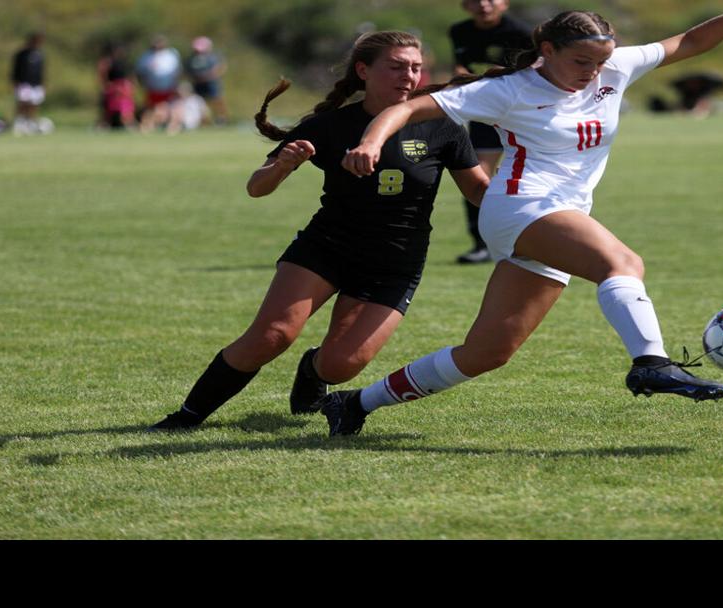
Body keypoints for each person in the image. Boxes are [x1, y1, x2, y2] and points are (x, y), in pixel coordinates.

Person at [321, 2, 723, 437]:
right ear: (548, 50)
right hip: (521, 205)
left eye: (600, 61)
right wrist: (371, 142)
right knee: (623, 264)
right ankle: (652, 365)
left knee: (487, 353)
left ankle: (354, 404)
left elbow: (690, 41)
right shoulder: (510, 89)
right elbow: (407, 108)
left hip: (560, 217)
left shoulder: (613, 66)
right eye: (581, 61)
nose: (593, 72)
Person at [149, 31, 490, 431]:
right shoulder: (330, 125)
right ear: (363, 71)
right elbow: (257, 187)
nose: (409, 76)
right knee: (271, 335)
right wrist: (282, 165)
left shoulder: (442, 127)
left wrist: (532, 203)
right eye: (396, 66)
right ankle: (187, 416)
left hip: (395, 262)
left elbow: (480, 192)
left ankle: (312, 370)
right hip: (327, 248)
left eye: (415, 68)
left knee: (341, 366)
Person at [449, 0, 534, 264]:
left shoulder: (521, 32)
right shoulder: (459, 31)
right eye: (475, 0)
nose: (483, 5)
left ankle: (532, 239)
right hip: (483, 112)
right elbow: (461, 66)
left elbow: (534, 71)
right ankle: (481, 244)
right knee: (476, 177)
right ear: (465, 5)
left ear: (505, 3)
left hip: (520, 113)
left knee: (528, 178)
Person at [136, 35, 182, 131]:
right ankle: (147, 126)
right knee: (152, 108)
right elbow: (141, 72)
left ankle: (173, 125)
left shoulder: (171, 55)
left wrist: (175, 84)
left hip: (169, 86)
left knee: (171, 107)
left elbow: (176, 71)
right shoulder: (146, 56)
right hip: (152, 87)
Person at [10, 32, 48, 135]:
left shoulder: (39, 54)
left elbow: (41, 71)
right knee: (23, 103)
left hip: (36, 83)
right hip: (24, 83)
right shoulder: (22, 54)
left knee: (34, 103)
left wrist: (43, 83)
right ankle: (20, 122)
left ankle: (30, 123)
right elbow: (15, 69)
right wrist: (15, 82)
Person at [185, 36, 229, 125]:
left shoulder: (213, 57)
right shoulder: (192, 59)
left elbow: (220, 68)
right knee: (199, 103)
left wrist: (209, 76)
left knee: (216, 100)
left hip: (211, 83)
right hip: (198, 83)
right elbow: (188, 71)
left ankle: (222, 119)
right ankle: (203, 121)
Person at [97, 43, 136, 130]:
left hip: (123, 88)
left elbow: (131, 76)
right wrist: (107, 86)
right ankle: (104, 125)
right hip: (114, 88)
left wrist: (130, 86)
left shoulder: (125, 62)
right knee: (109, 109)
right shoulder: (107, 62)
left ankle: (130, 125)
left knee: (126, 109)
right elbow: (104, 76)